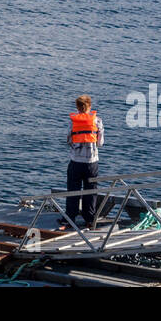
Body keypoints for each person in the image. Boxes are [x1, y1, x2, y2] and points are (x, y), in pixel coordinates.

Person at [63, 95, 102, 230]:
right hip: (91, 162)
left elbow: (69, 140)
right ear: (89, 106)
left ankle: (70, 219)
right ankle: (90, 220)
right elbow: (100, 143)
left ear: (77, 107)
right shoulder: (97, 121)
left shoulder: (73, 122)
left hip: (76, 161)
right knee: (90, 191)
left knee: (73, 190)